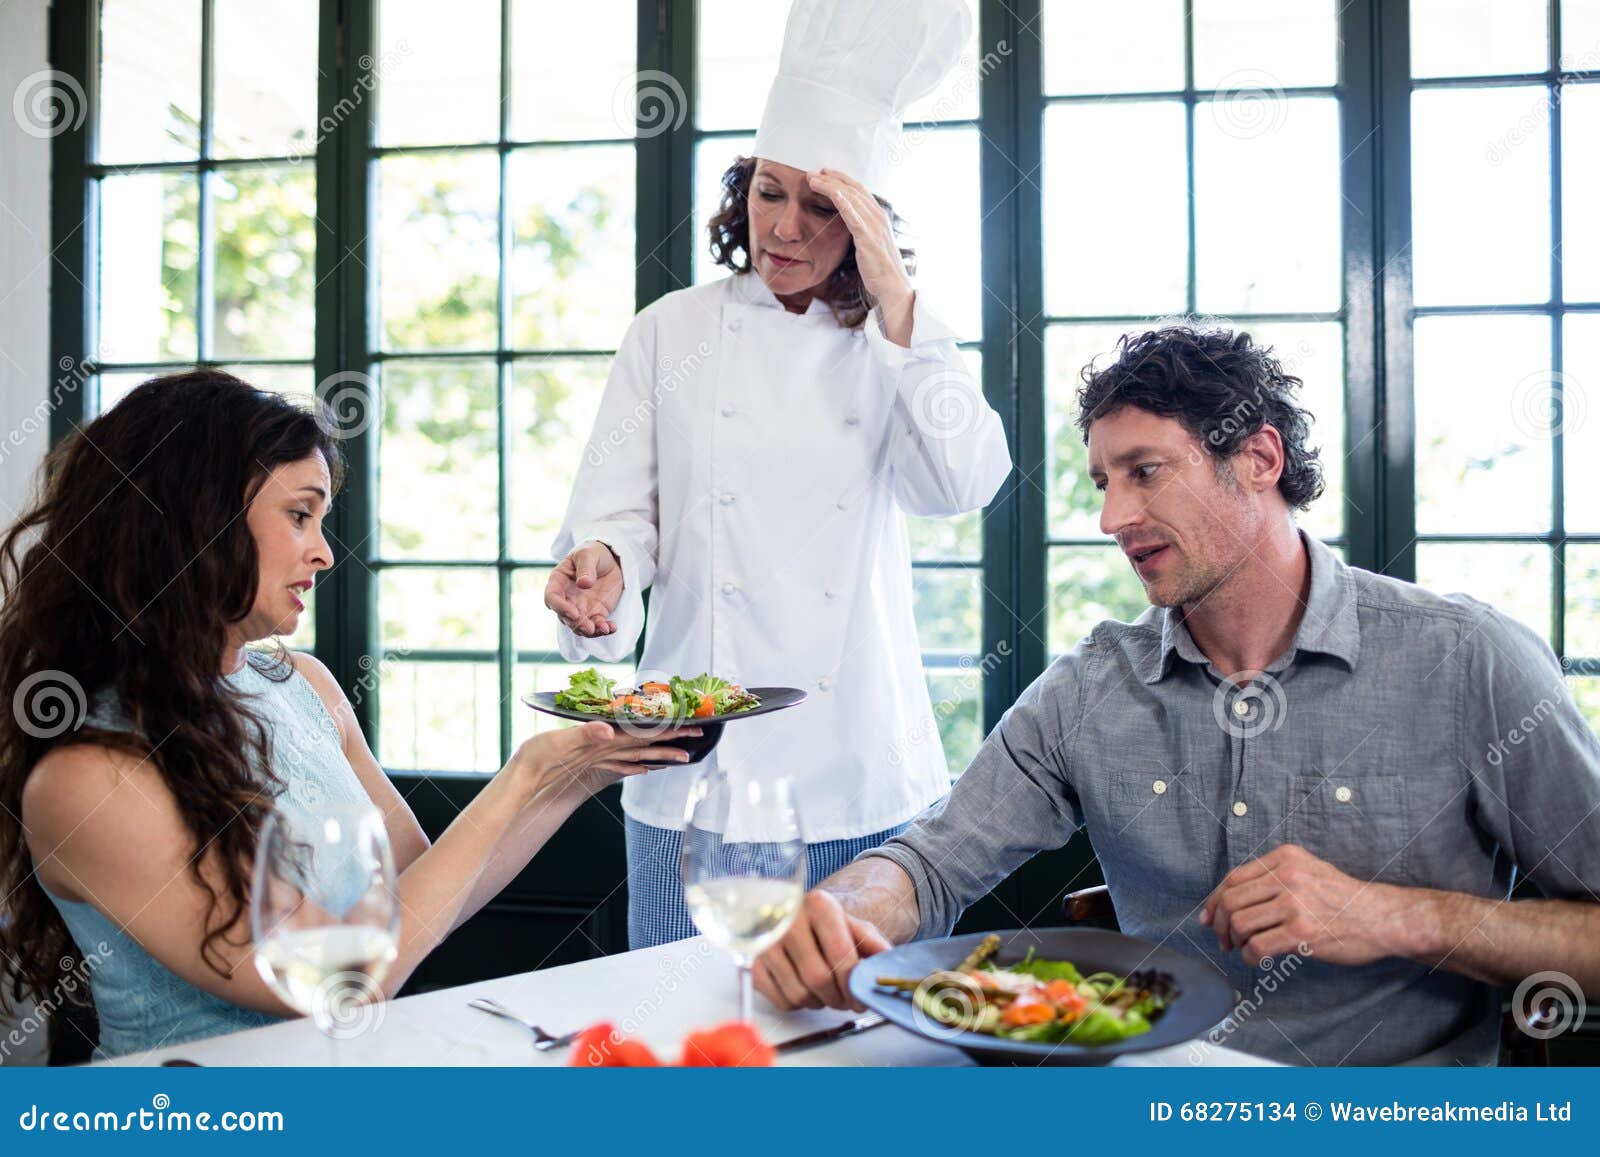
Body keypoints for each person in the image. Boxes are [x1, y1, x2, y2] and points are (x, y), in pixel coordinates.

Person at [751, 324, 1600, 1066]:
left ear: (1259, 459)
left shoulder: (1467, 660)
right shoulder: (1092, 686)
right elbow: (930, 861)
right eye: (1102, 482)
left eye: (1145, 472)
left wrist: (1394, 915)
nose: (1113, 516)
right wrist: (838, 910)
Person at [0, 371, 696, 1059]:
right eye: (300, 515)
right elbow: (335, 982)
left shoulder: (305, 684)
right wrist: (524, 774)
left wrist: (570, 777)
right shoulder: (87, 777)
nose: (325, 552)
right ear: (195, 518)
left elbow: (421, 893)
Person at [545, 0, 1011, 948]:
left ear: (867, 223)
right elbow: (619, 515)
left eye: (822, 205)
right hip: (693, 780)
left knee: (856, 1060)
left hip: (857, 778)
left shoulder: (899, 344)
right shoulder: (669, 330)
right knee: (682, 1056)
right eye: (768, 192)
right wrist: (602, 567)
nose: (785, 228)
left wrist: (900, 307)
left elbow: (965, 482)